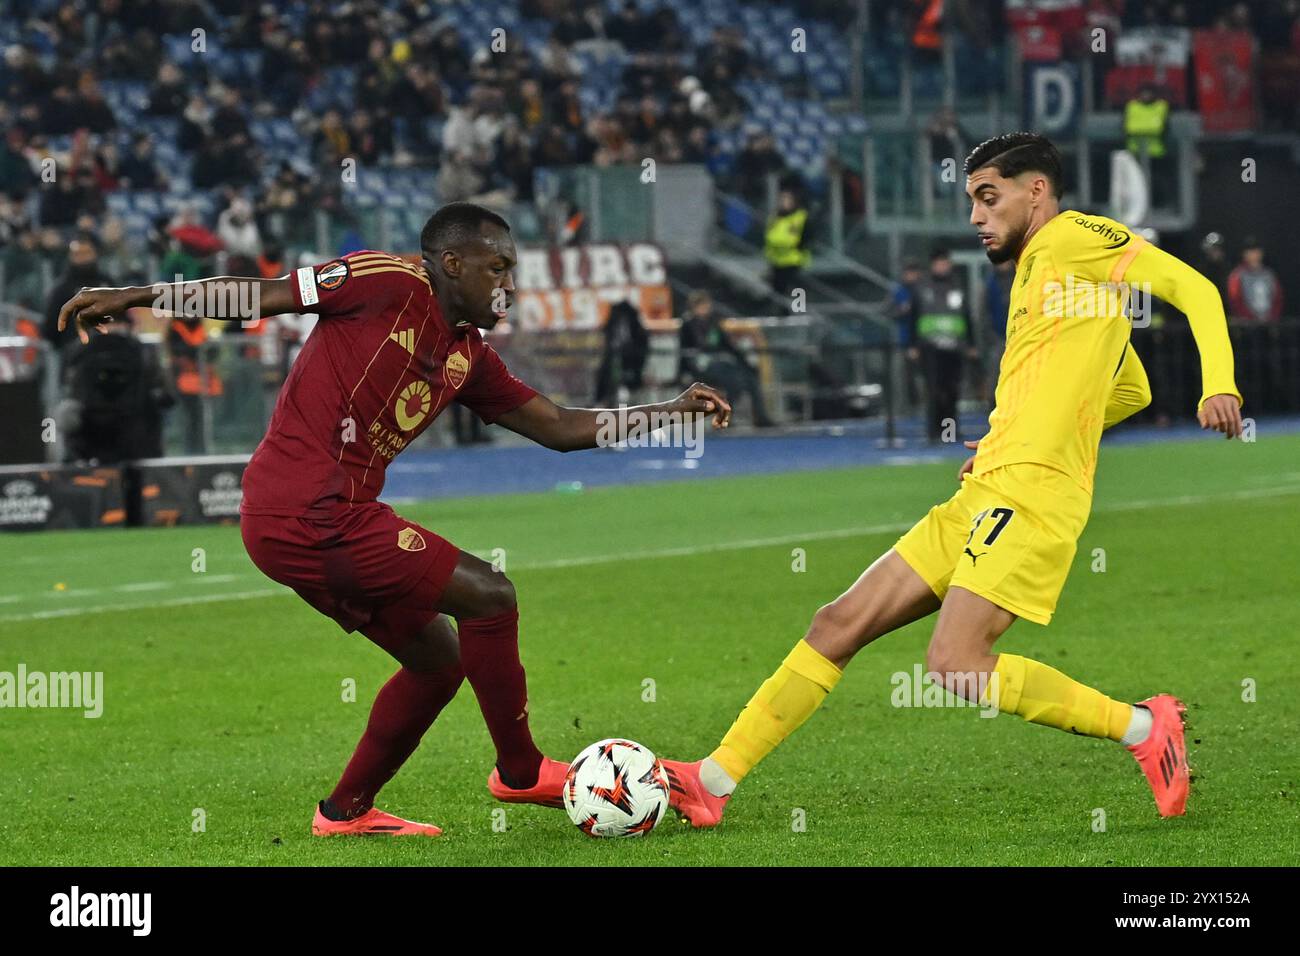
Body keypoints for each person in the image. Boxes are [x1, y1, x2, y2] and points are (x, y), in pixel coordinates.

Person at [60, 202, 732, 837]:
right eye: (497, 268)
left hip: (323, 517)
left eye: (511, 271)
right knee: (489, 596)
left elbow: (558, 427)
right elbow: (257, 296)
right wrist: (138, 296)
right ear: (450, 263)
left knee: (438, 663)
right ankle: (521, 773)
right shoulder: (380, 281)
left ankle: (345, 811)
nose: (507, 285)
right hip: (306, 509)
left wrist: (670, 411)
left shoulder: (468, 354)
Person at [662, 132, 1243, 829]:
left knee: (956, 661)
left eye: (988, 197)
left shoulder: (1073, 238)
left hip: (1031, 494)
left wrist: (1221, 385)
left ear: (1037, 191)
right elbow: (1132, 387)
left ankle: (1146, 729)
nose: (975, 215)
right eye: (971, 199)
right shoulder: (1042, 273)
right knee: (838, 622)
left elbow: (1196, 289)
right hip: (989, 485)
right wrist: (1015, 432)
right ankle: (713, 780)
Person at [64, 312, 171, 463]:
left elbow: (72, 388)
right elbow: (161, 388)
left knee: (67, 413)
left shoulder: (81, 350)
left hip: (93, 426)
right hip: (133, 425)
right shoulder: (142, 351)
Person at [908, 247, 978, 442]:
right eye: (939, 262)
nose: (942, 266)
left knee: (952, 391)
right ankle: (933, 433)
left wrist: (971, 344)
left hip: (955, 348)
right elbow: (913, 317)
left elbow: (967, 317)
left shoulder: (957, 287)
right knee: (933, 391)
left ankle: (950, 433)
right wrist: (913, 345)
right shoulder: (922, 288)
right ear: (932, 264)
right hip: (930, 348)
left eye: (945, 262)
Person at [678, 290, 774, 428]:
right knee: (732, 380)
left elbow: (728, 346)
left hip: (721, 362)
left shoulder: (713, 323)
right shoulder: (688, 325)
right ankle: (725, 416)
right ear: (694, 307)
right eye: (701, 306)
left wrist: (746, 363)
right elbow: (685, 351)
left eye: (706, 305)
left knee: (750, 376)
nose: (705, 309)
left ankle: (760, 416)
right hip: (702, 365)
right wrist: (683, 373)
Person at [593, 296, 649, 406]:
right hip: (615, 359)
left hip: (630, 360)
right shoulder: (614, 322)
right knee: (610, 383)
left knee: (628, 389)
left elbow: (641, 342)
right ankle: (608, 404)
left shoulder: (634, 324)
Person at [764, 187, 809, 299]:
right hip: (776, 259)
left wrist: (799, 246)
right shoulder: (775, 217)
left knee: (796, 290)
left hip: (794, 259)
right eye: (781, 199)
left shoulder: (800, 216)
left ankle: (799, 311)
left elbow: (807, 235)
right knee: (778, 290)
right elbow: (769, 235)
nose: (783, 202)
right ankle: (782, 313)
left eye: (786, 199)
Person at [1226, 237, 1283, 323]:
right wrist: (1249, 317)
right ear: (1244, 254)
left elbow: (1278, 298)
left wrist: (1272, 316)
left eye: (1256, 251)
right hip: (1247, 324)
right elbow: (1235, 300)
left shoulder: (1269, 274)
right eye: (1250, 252)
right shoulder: (1237, 275)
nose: (1254, 254)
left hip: (1269, 322)